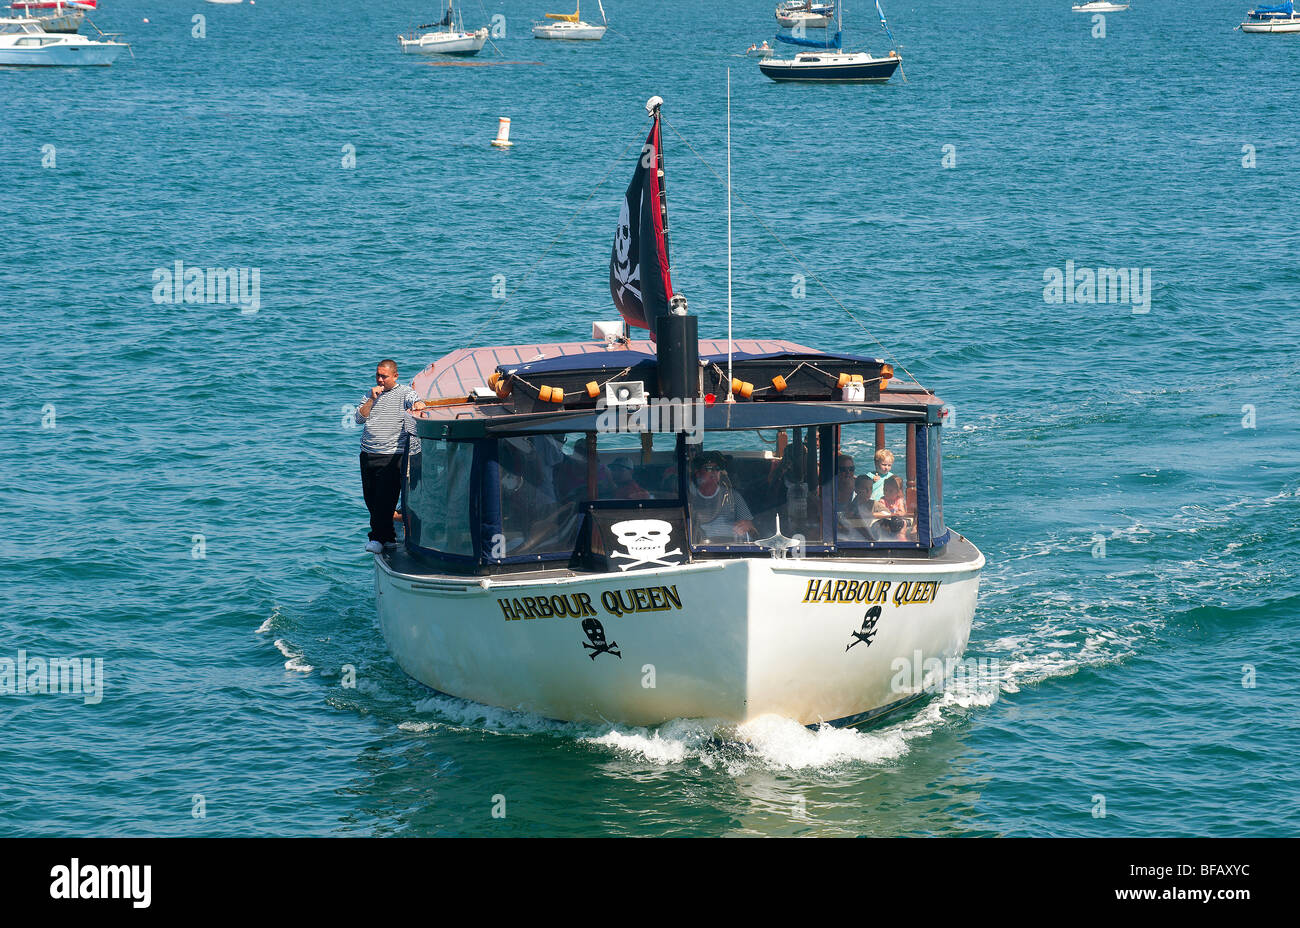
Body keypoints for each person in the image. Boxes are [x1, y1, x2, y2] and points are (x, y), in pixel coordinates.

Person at [356, 360, 425, 553]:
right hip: (368, 454)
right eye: (377, 375)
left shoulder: (403, 393)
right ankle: (388, 538)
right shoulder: (370, 394)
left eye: (384, 376)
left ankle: (377, 538)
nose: (380, 379)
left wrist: (418, 403)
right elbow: (358, 418)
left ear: (395, 376)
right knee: (371, 499)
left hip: (392, 455)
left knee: (384, 500)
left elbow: (414, 399)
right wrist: (371, 399)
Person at [688, 451, 756, 542]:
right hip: (699, 547)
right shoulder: (690, 498)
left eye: (717, 468)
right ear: (698, 473)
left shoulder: (733, 496)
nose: (714, 472)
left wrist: (748, 526)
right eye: (709, 468)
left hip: (730, 547)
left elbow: (754, 532)